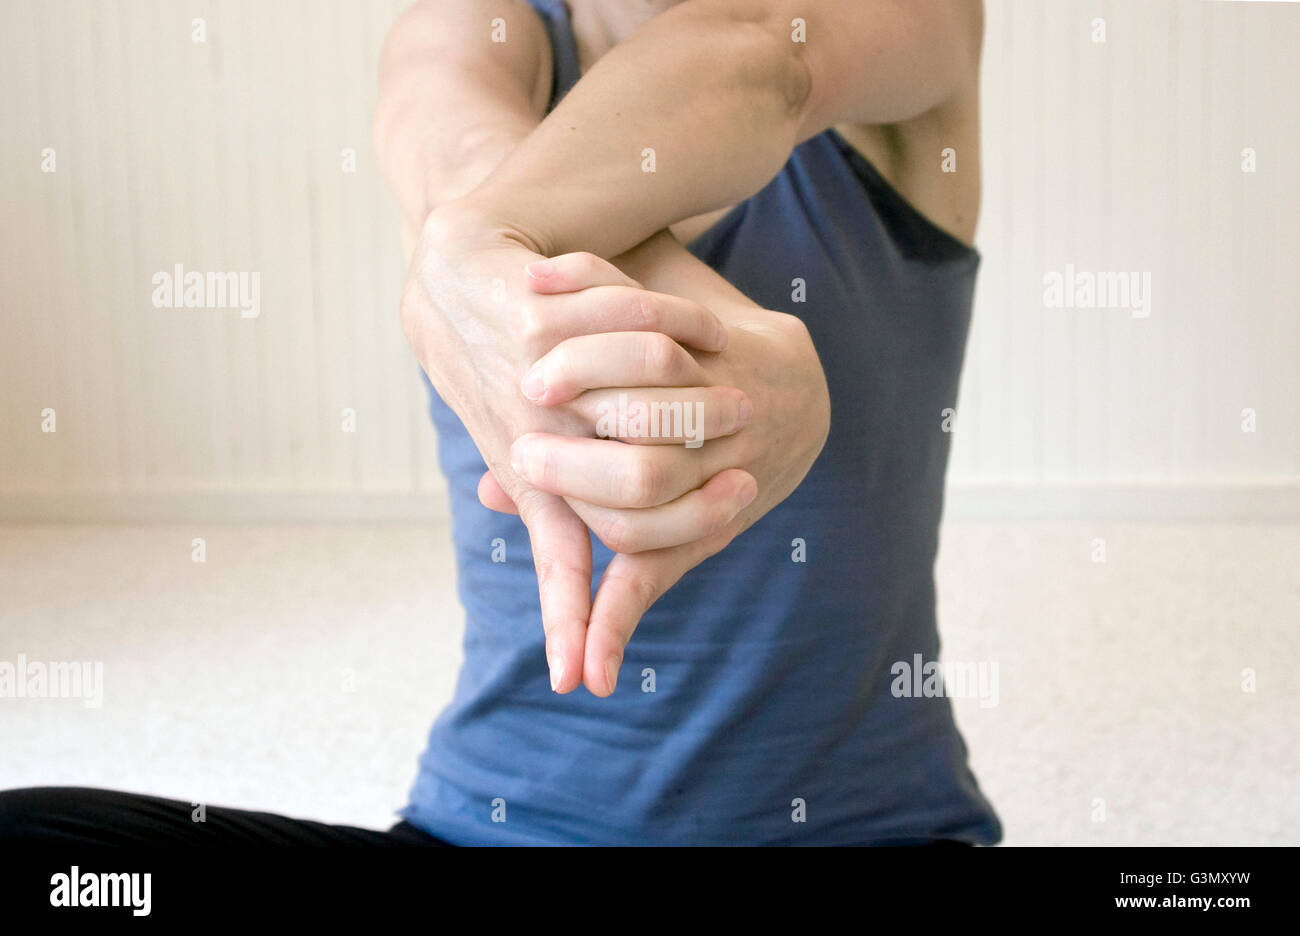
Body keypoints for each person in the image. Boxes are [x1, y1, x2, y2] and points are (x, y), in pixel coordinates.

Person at [0, 0, 1000, 846]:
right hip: (493, 829)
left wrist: (489, 238)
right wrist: (712, 334)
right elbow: (457, 146)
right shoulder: (471, 31)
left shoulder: (903, 23)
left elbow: (755, 63)